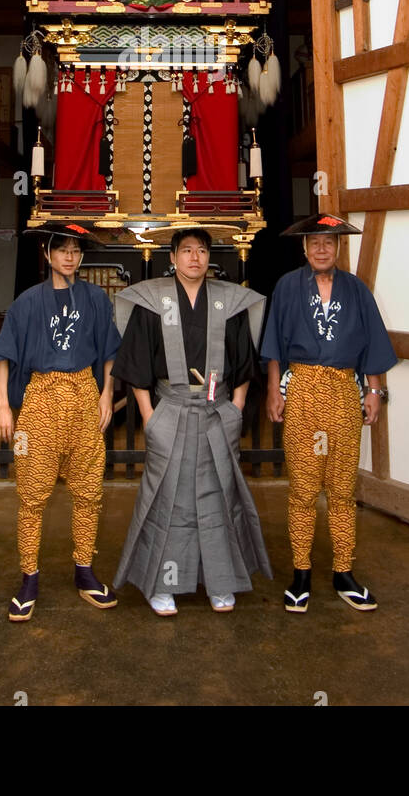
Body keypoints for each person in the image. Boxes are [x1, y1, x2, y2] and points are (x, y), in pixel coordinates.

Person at [112, 227, 272, 615]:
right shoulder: (153, 300)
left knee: (219, 496)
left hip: (218, 411)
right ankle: (162, 583)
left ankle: (221, 582)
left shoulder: (228, 302)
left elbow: (244, 363)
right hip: (171, 408)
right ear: (173, 258)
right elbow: (136, 366)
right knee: (169, 497)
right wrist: (150, 418)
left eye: (201, 251)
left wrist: (235, 408)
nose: (195, 258)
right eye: (186, 251)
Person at [260, 213, 398, 613]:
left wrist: (373, 391)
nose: (322, 249)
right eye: (315, 242)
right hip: (301, 389)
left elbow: (372, 344)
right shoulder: (287, 287)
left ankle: (343, 571)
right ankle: (300, 573)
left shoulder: (357, 291)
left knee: (341, 487)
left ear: (339, 248)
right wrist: (274, 390)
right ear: (304, 248)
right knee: (302, 487)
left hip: (342, 392)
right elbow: (274, 344)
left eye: (329, 242)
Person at [0, 222, 121, 622]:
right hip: (40, 400)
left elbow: (110, 351)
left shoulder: (96, 299)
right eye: (61, 249)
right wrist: (1, 405)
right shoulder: (27, 302)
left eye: (75, 251)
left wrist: (106, 395)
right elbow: (4, 356)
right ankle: (29, 578)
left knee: (88, 492)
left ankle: (85, 571)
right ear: (47, 255)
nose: (69, 256)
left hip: (84, 398)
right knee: (31, 496)